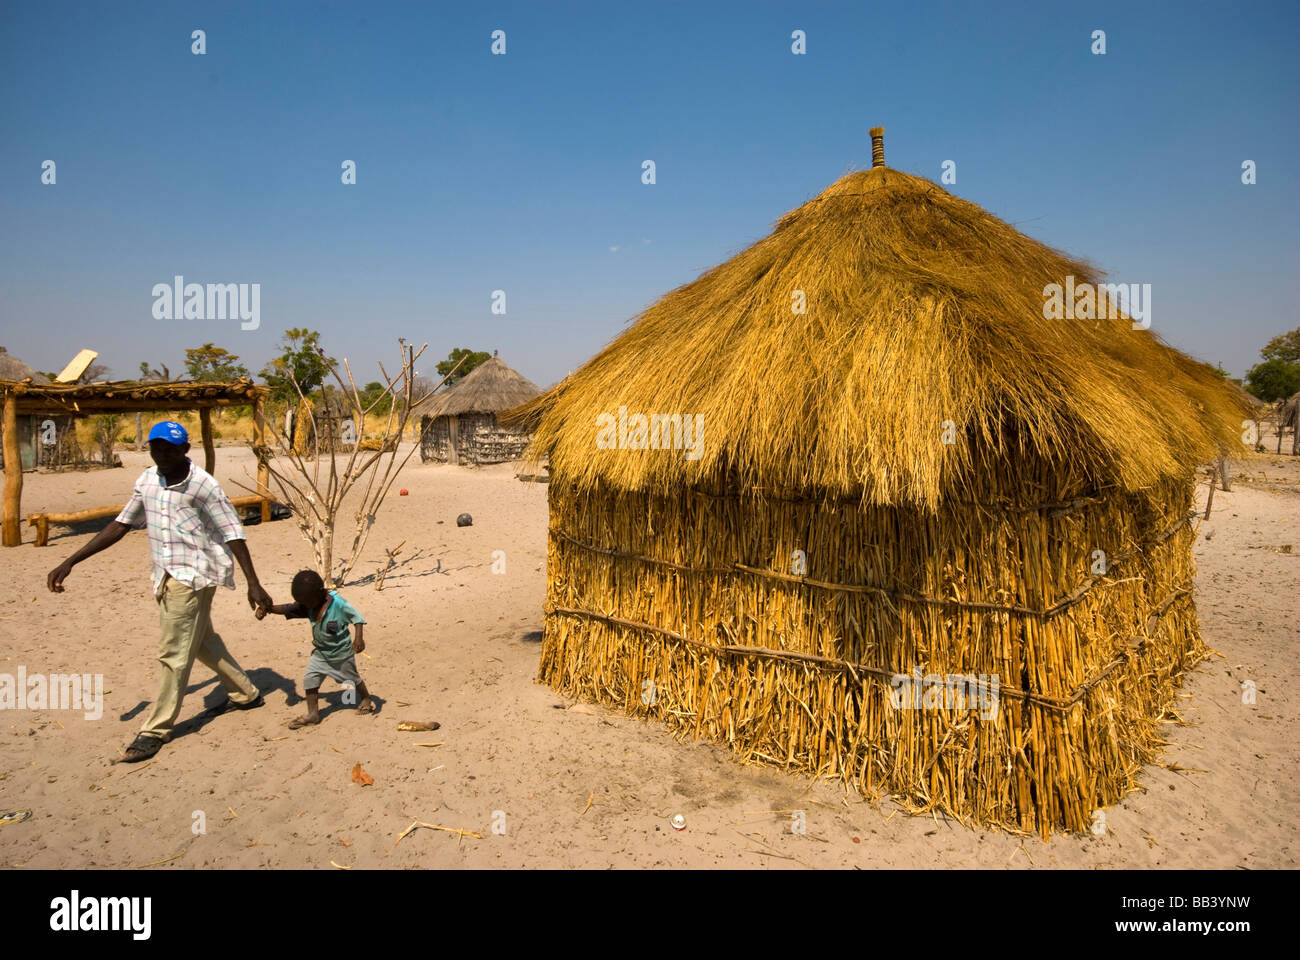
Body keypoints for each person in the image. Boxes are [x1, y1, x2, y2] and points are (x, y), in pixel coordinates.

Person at [47, 420, 272, 762]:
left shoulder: (204, 486)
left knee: (173, 652)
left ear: (185, 450)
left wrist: (253, 583)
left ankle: (155, 729)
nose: (161, 454)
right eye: (156, 447)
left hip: (196, 575)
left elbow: (233, 533)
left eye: (169, 448)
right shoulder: (148, 480)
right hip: (164, 573)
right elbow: (121, 524)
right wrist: (72, 560)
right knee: (202, 642)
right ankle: (246, 693)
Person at [256, 569, 375, 727]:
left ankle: (365, 698)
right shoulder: (308, 605)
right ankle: (313, 714)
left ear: (321, 592)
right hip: (320, 654)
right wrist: (268, 609)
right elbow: (287, 609)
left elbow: (357, 618)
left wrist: (359, 638)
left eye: (307, 602)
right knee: (310, 680)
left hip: (341, 655)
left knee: (350, 679)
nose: (305, 606)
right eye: (302, 603)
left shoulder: (338, 604)